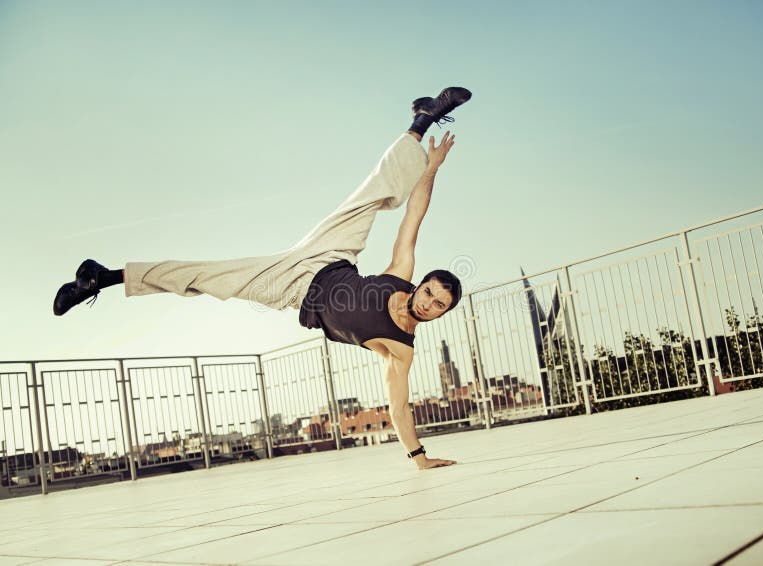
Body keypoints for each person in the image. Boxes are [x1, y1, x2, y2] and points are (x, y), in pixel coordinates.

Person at [53, 87, 472, 470]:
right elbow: (414, 216)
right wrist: (431, 168)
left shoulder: (400, 351)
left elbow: (399, 408)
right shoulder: (400, 278)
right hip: (332, 253)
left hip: (292, 287)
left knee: (211, 278)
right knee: (372, 195)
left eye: (439, 305)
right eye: (430, 292)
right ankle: (423, 118)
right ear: (421, 285)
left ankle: (102, 277)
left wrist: (419, 458)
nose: (427, 303)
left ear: (443, 313)